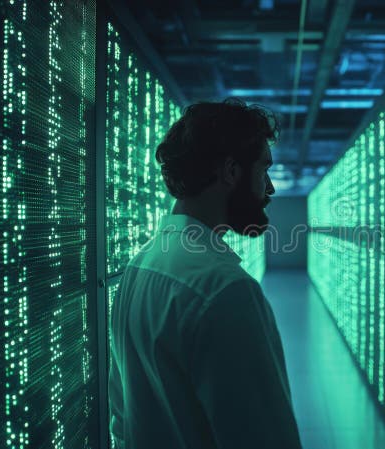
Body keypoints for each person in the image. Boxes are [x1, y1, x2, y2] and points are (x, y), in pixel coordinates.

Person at [108, 98, 302, 449]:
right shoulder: (225, 289)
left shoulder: (138, 267)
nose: (270, 188)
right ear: (231, 171)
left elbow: (122, 419)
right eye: (263, 170)